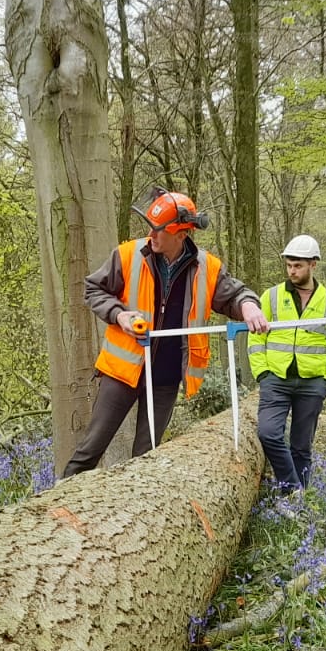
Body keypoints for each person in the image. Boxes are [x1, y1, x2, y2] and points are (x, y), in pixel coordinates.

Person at [61, 189, 268, 476]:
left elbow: (235, 295)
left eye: (159, 229)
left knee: (146, 456)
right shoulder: (128, 255)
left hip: (165, 378)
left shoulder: (207, 268)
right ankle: (59, 496)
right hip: (122, 371)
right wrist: (119, 314)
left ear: (181, 234)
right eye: (151, 226)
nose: (151, 234)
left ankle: (139, 501)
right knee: (91, 448)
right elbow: (93, 288)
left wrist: (248, 306)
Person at [247, 235, 326, 491]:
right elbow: (255, 339)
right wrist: (263, 373)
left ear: (313, 264)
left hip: (313, 383)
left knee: (302, 447)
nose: (292, 271)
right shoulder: (270, 297)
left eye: (298, 266)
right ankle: (294, 491)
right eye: (289, 265)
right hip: (275, 379)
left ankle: (297, 502)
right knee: (268, 433)